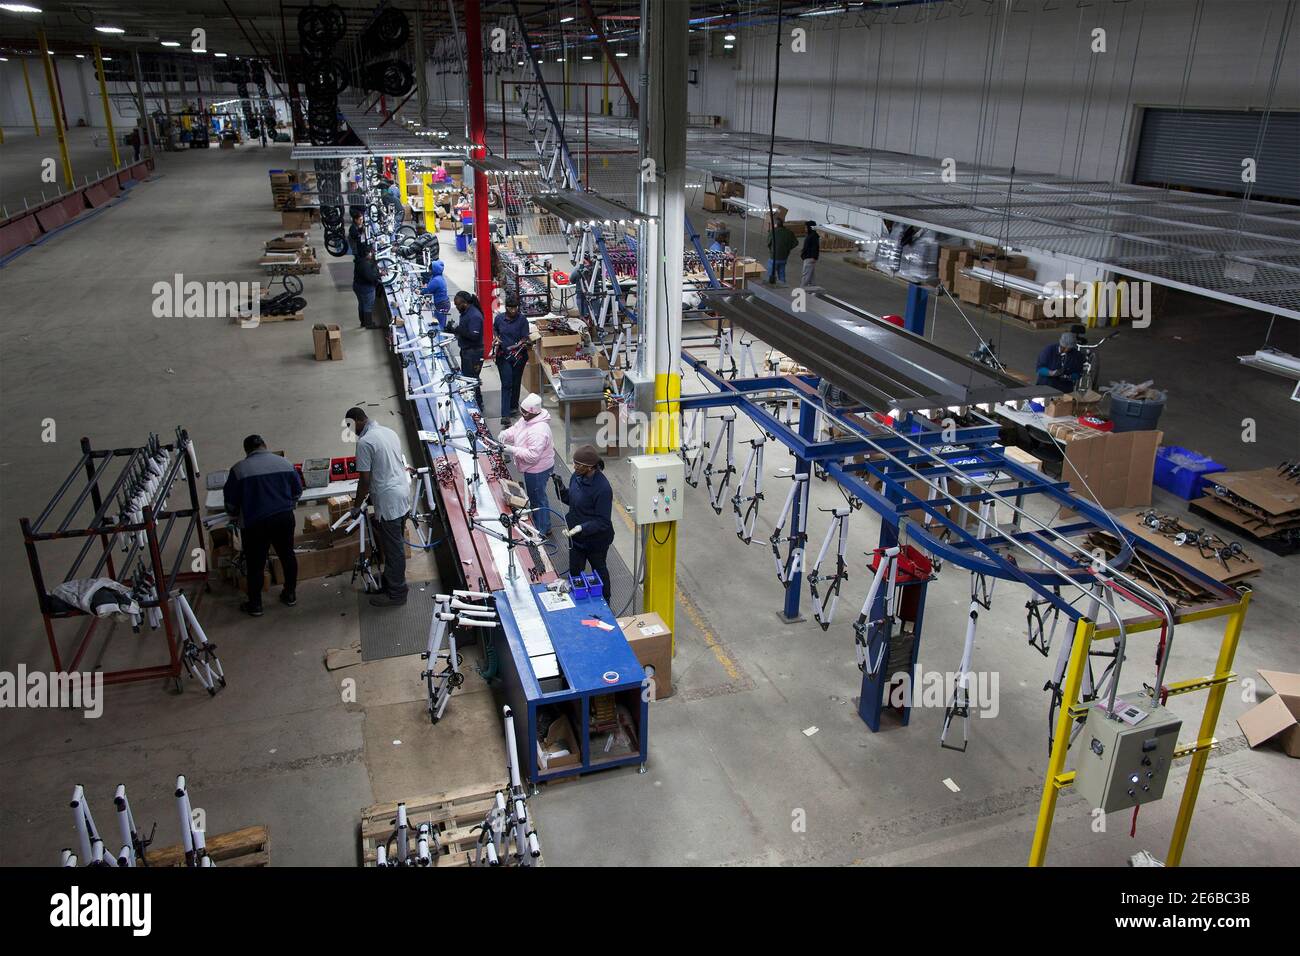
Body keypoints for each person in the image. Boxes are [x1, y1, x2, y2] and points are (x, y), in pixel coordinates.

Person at [222, 435, 303, 617]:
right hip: (284, 518)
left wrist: (234, 515)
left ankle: (256, 604)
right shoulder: (285, 463)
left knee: (255, 563)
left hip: (255, 523)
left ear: (247, 451)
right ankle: (290, 594)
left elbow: (231, 503)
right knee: (287, 555)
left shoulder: (239, 470)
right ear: (265, 446)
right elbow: (297, 491)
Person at [346, 407, 412, 608]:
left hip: (389, 500)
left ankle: (397, 593)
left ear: (357, 420)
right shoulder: (389, 432)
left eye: (350, 426)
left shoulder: (365, 443)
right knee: (393, 545)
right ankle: (390, 582)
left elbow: (364, 479)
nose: (351, 431)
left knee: (394, 549)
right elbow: (390, 465)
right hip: (401, 494)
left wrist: (356, 506)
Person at [554, 445, 614, 596]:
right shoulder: (577, 476)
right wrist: (560, 488)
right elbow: (572, 500)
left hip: (596, 541)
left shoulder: (603, 489)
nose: (574, 467)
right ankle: (578, 599)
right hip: (576, 539)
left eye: (578, 464)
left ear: (589, 467)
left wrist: (581, 527)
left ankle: (605, 600)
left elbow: (603, 521)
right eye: (574, 463)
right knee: (575, 571)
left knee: (598, 571)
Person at [500, 393, 556, 535]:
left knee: (538, 498)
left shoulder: (539, 431)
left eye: (524, 412)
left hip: (538, 469)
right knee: (536, 496)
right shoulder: (528, 418)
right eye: (521, 410)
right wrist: (505, 434)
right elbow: (517, 429)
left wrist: (512, 449)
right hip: (532, 468)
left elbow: (532, 456)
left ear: (533, 412)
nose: (521, 414)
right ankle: (542, 524)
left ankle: (542, 529)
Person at [493, 295, 530, 426]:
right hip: (504, 356)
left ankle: (513, 406)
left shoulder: (522, 320)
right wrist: (496, 338)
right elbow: (495, 330)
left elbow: (525, 337)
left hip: (519, 356)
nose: (513, 311)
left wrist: (519, 344)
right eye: (510, 308)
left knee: (516, 381)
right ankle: (505, 415)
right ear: (506, 307)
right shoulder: (499, 319)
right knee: (507, 383)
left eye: (515, 308)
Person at [452, 291, 485, 406]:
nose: (456, 307)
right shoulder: (466, 312)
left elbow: (474, 335)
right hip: (467, 351)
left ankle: (477, 404)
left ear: (465, 303)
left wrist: (458, 329)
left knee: (471, 379)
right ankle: (475, 401)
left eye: (457, 305)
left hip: (473, 353)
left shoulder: (474, 316)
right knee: (469, 377)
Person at [353, 242, 381, 329]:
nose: (372, 254)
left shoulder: (360, 260)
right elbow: (370, 277)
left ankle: (363, 322)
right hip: (366, 288)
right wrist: (380, 274)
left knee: (362, 304)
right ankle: (369, 324)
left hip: (357, 285)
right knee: (368, 306)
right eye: (371, 253)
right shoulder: (365, 264)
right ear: (366, 253)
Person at [766, 217, 798, 284]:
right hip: (784, 257)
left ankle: (770, 288)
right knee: (782, 274)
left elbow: (768, 243)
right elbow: (796, 243)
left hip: (773, 257)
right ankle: (783, 288)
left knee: (770, 275)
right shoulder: (789, 232)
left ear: (775, 224)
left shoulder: (773, 232)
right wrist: (788, 248)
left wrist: (772, 250)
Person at [422, 260, 451, 329]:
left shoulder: (436, 280)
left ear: (434, 270)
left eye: (430, 269)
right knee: (436, 320)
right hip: (443, 303)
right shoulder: (438, 277)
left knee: (440, 324)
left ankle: (441, 336)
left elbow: (428, 290)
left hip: (441, 304)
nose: (429, 271)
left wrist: (420, 292)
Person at [800, 220, 821, 287]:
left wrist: (813, 257)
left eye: (806, 227)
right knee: (811, 276)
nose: (805, 229)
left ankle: (802, 290)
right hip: (809, 257)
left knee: (805, 276)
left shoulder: (813, 236)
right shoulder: (812, 235)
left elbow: (815, 248)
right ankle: (813, 289)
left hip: (809, 258)